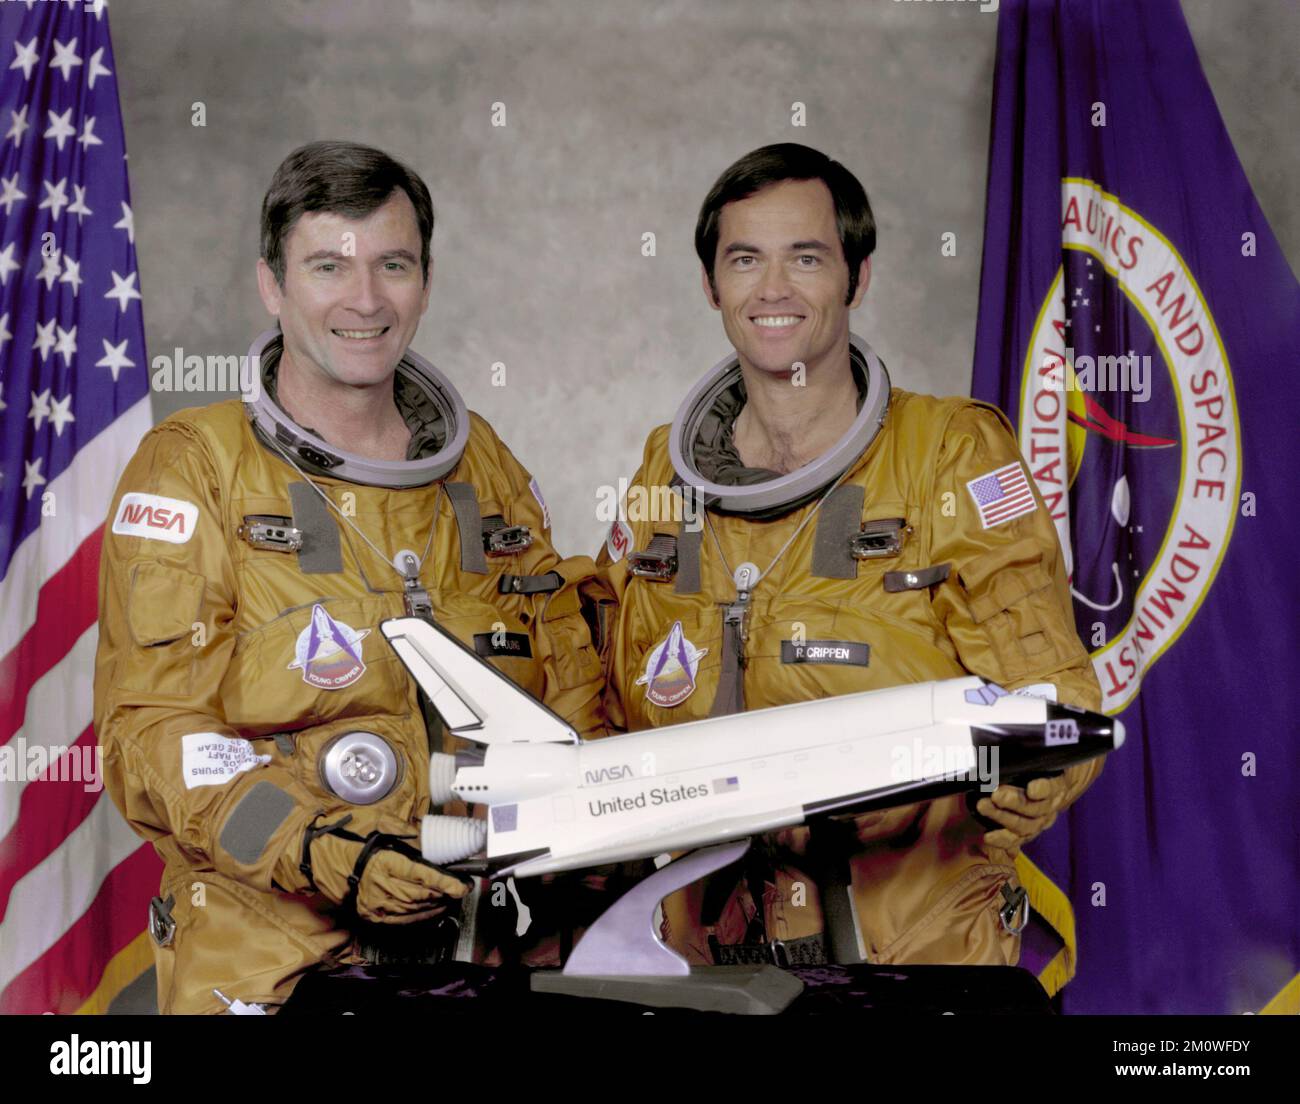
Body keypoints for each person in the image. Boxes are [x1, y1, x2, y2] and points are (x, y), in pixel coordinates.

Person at [93, 140, 605, 1014]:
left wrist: (594, 839)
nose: (365, 300)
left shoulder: (482, 465)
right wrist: (322, 849)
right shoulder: (196, 468)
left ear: (425, 280)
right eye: (329, 266)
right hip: (274, 969)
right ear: (272, 285)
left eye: (392, 265)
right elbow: (155, 738)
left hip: (490, 955)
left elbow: (570, 681)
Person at [594, 143, 1103, 996]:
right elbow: (605, 694)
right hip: (702, 968)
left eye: (807, 257)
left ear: (857, 278)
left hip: (912, 964)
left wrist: (1042, 773)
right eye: (745, 259)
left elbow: (1055, 687)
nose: (774, 289)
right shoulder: (663, 477)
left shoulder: (949, 454)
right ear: (711, 286)